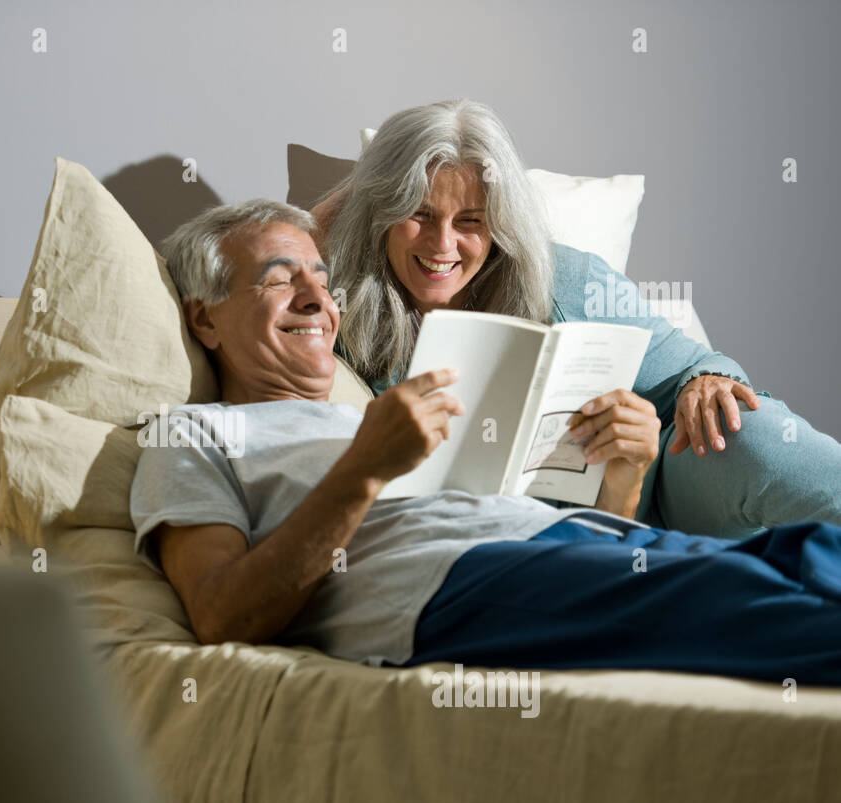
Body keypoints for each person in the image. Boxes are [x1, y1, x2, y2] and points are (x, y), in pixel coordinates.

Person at [131, 198, 841, 685]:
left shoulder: (365, 415)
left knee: (810, 553)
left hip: (576, 541)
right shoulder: (193, 433)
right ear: (206, 321)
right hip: (455, 582)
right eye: (279, 281)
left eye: (320, 278)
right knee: (759, 606)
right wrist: (363, 471)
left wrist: (624, 476)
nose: (318, 300)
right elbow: (222, 617)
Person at [312, 99, 841, 540]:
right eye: (418, 214)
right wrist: (320, 225)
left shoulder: (566, 279)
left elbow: (698, 367)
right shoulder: (340, 303)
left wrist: (707, 381)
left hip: (659, 496)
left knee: (751, 431)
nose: (442, 244)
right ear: (380, 210)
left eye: (470, 221)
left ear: (499, 225)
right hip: (541, 542)